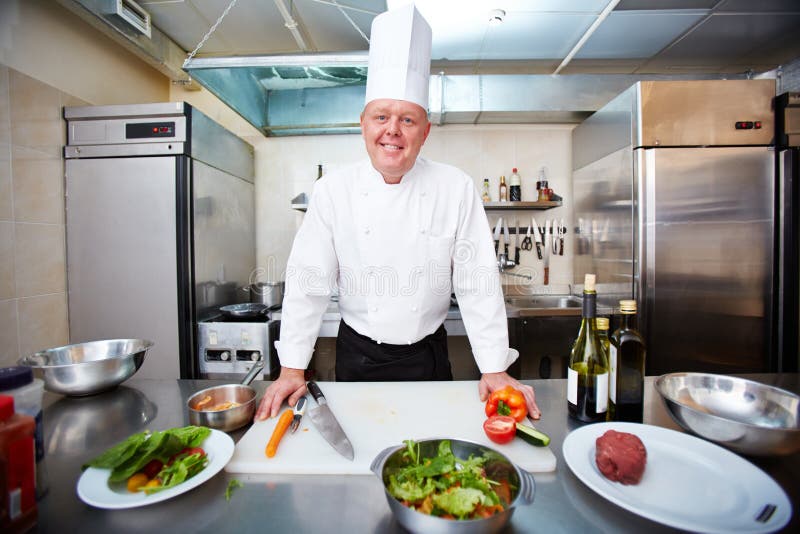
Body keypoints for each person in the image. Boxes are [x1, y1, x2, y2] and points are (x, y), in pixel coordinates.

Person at [256, 4, 539, 421]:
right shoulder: (332, 191)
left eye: (407, 119)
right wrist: (292, 367)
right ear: (363, 124)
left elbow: (477, 280)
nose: (393, 130)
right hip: (358, 358)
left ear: (425, 131)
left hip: (428, 357)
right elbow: (308, 281)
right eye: (381, 116)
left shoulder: (455, 187)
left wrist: (495, 367)